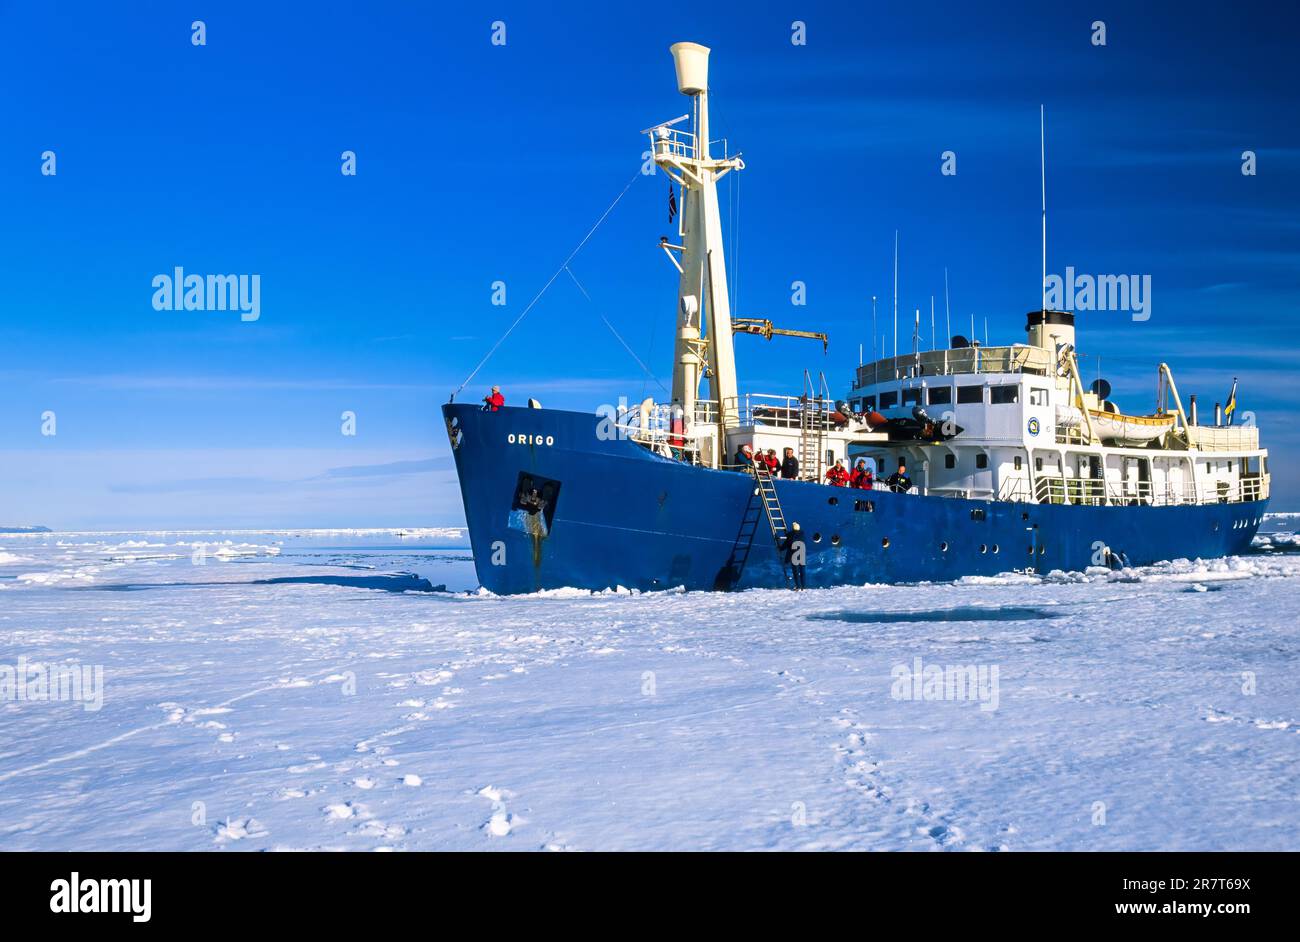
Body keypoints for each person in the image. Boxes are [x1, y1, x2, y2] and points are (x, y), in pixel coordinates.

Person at [783, 522, 807, 590]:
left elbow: (785, 545)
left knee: (796, 572)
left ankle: (798, 586)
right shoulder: (802, 535)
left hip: (795, 555)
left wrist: (780, 548)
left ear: (793, 529)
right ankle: (804, 587)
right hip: (802, 555)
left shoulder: (791, 536)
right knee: (802, 572)